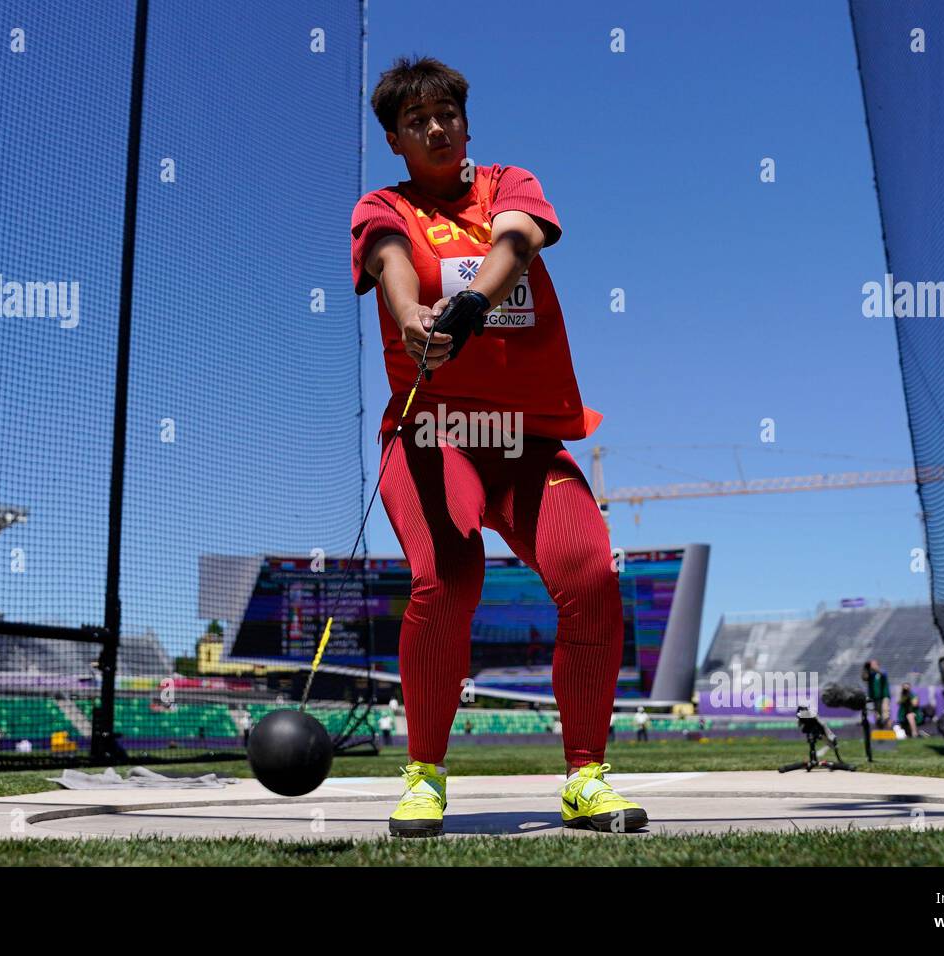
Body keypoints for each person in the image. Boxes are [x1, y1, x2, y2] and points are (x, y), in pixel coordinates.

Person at [352, 56, 645, 838]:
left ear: (466, 122)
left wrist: (476, 300)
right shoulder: (382, 204)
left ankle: (587, 776)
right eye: (417, 121)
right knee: (448, 577)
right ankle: (424, 777)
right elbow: (387, 262)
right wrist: (415, 319)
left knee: (589, 572)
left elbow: (519, 238)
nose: (436, 127)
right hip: (432, 432)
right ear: (395, 139)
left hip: (525, 440)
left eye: (446, 112)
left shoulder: (509, 183)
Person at [862, 659, 892, 729]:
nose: (871, 666)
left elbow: (883, 674)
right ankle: (880, 733)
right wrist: (865, 669)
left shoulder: (882, 671)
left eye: (873, 664)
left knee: (886, 714)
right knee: (877, 716)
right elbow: (864, 678)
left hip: (884, 696)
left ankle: (890, 731)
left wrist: (875, 669)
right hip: (875, 697)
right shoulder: (871, 674)